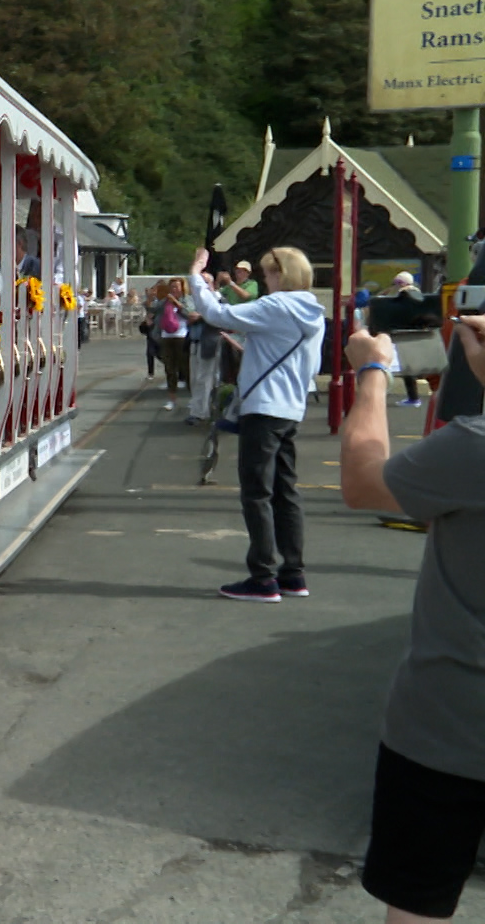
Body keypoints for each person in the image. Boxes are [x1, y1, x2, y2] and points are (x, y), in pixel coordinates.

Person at [340, 318, 485, 924]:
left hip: (449, 728)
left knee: (419, 905)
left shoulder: (473, 446)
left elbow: (361, 481)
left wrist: (372, 374)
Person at [187, 246, 327, 603]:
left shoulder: (276, 306)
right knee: (285, 492)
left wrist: (196, 276)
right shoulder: (313, 312)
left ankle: (262, 576)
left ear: (281, 274)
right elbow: (309, 367)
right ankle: (293, 573)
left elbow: (216, 313)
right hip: (290, 409)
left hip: (263, 407)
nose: (265, 280)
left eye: (268, 274)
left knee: (256, 493)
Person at [185, 272, 224, 424]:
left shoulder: (218, 299)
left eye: (204, 282)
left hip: (211, 343)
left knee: (207, 378)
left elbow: (221, 318)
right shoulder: (196, 300)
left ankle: (201, 412)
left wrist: (200, 317)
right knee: (196, 378)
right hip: (195, 341)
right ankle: (199, 409)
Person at [150, 277, 192, 411]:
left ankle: (192, 398)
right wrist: (150, 298)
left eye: (177, 287)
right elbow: (153, 309)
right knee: (170, 369)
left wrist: (176, 303)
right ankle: (172, 399)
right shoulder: (165, 302)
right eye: (172, 287)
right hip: (166, 337)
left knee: (185, 368)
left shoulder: (187, 299)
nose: (174, 289)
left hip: (182, 336)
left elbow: (189, 313)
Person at [391, 272, 427, 408]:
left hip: (406, 334)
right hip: (415, 334)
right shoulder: (417, 294)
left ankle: (413, 398)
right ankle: (413, 398)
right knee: (409, 367)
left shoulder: (404, 294)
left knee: (408, 368)